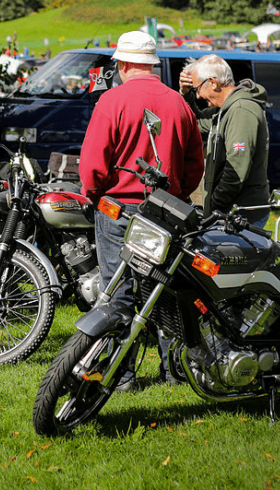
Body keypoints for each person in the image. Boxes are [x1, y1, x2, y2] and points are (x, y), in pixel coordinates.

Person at [79, 30, 204, 391]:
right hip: (166, 209)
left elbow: (92, 164)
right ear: (151, 64)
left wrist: (92, 194)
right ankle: (173, 371)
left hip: (119, 207)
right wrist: (177, 191)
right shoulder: (179, 103)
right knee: (162, 290)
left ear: (124, 63)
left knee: (117, 291)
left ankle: (123, 374)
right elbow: (196, 163)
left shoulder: (112, 100)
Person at [179, 54, 271, 229]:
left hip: (240, 214)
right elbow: (195, 124)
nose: (198, 96)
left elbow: (236, 168)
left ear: (213, 82)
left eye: (197, 88)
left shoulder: (241, 109)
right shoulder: (225, 110)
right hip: (229, 211)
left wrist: (214, 207)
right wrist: (187, 94)